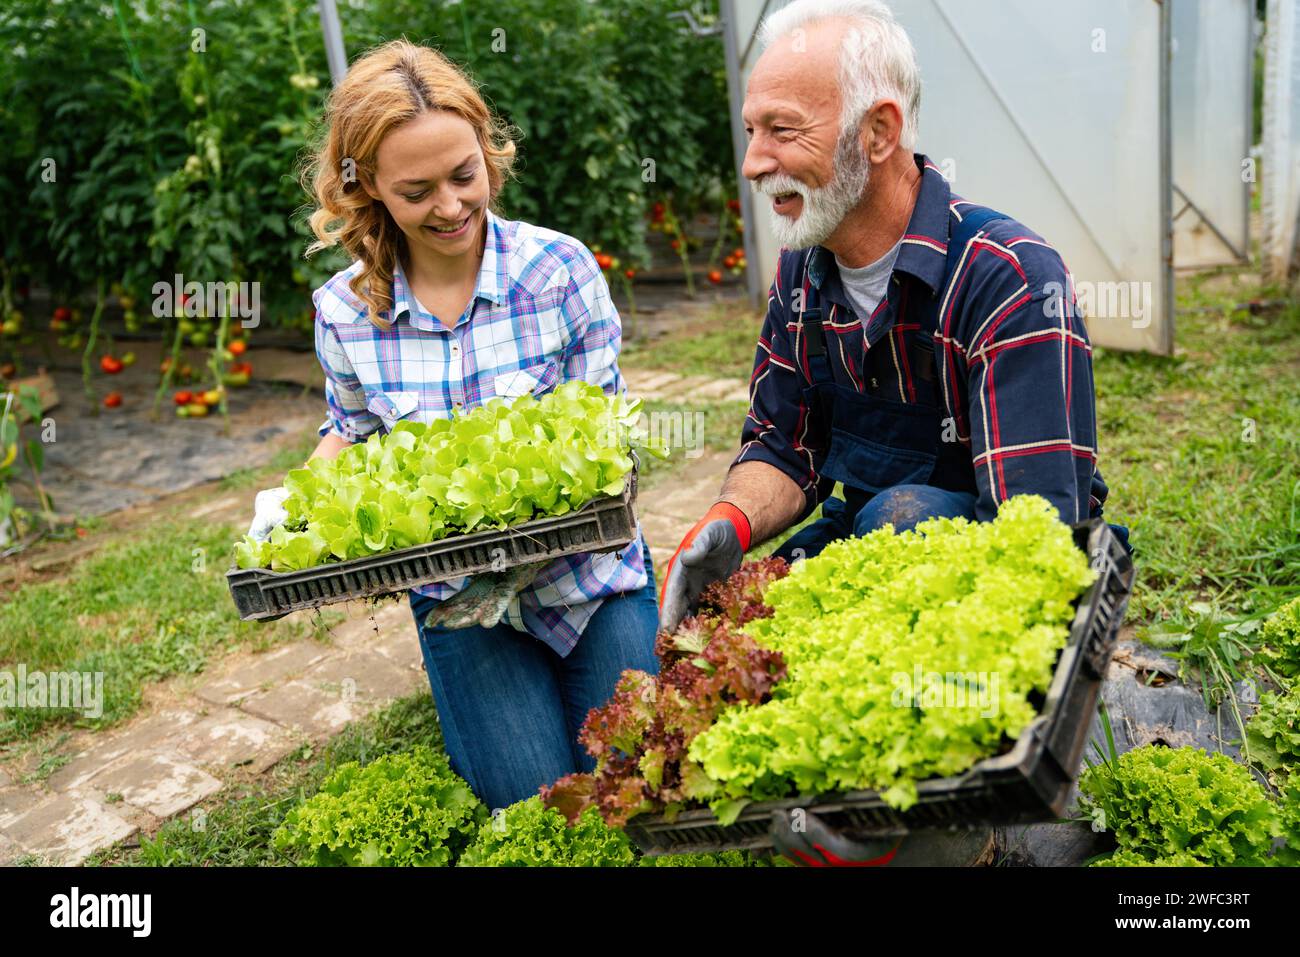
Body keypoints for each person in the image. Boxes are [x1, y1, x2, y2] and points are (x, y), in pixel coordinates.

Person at [657, 0, 1124, 866]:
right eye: (751, 129)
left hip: (993, 586)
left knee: (900, 515)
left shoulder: (1010, 277)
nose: (755, 161)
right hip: (876, 546)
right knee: (732, 627)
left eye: (781, 131)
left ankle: (939, 820)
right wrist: (725, 526)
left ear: (878, 132)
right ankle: (841, 797)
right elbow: (782, 445)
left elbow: (1036, 539)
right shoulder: (804, 273)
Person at [245, 39, 658, 814]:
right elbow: (354, 432)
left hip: (592, 580)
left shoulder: (558, 272)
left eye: (464, 175)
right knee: (533, 803)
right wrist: (291, 511)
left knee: (629, 792)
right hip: (458, 596)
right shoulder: (344, 311)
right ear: (365, 186)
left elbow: (601, 438)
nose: (450, 206)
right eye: (416, 190)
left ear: (487, 154)